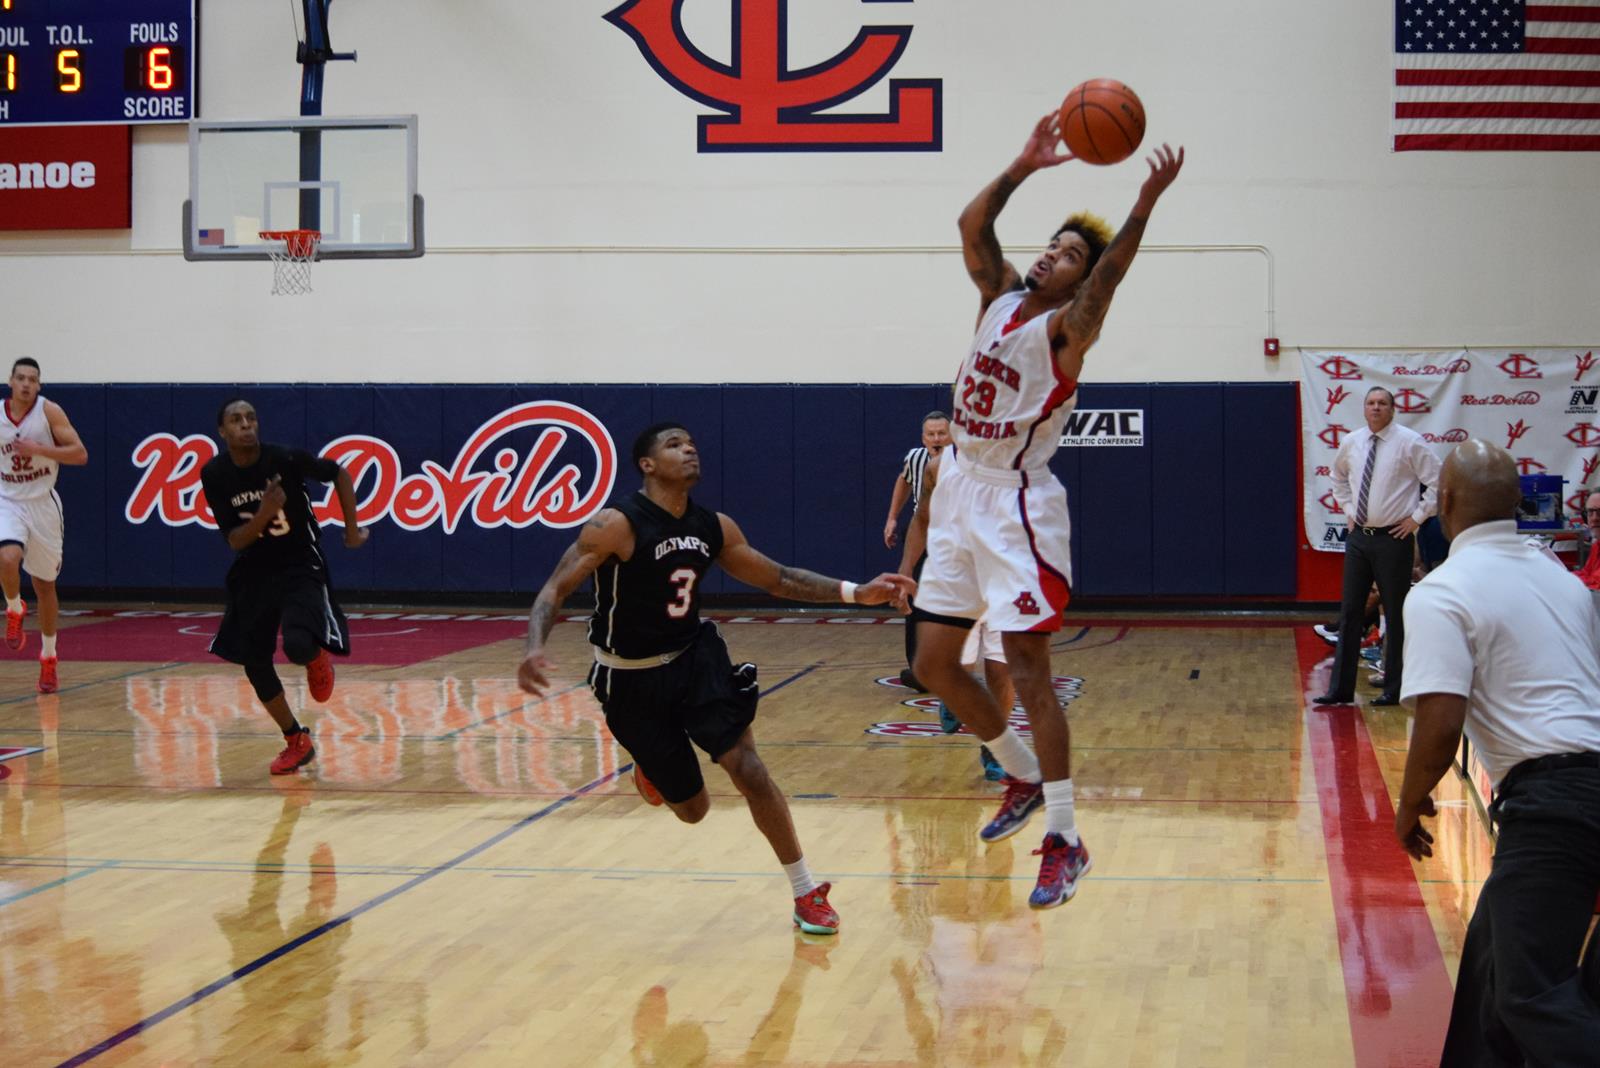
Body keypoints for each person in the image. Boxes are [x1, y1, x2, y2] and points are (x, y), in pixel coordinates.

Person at [912, 109, 1184, 909]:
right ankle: (1023, 778)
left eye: (1069, 257)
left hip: (1016, 506)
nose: (1052, 258)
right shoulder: (998, 298)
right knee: (934, 665)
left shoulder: (1068, 333)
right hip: (960, 484)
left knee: (1029, 672)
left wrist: (1142, 206)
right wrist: (1025, 162)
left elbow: (1111, 278)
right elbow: (971, 225)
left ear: (1078, 282)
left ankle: (1065, 836)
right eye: (1053, 245)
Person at [516, 422, 915, 935]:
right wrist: (533, 647)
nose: (689, 450)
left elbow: (780, 578)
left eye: (692, 443)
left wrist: (857, 593)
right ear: (648, 464)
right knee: (694, 810)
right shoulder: (616, 524)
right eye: (675, 445)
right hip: (628, 680)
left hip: (693, 659)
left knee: (748, 768)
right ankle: (652, 768)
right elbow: (555, 588)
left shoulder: (713, 526)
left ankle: (804, 890)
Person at [1394, 438, 1600, 1064]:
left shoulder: (1442, 591)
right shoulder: (1558, 577)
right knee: (1491, 962)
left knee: (1527, 996)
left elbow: (1440, 721)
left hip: (1556, 808)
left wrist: (1407, 805)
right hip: (1578, 792)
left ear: (1444, 500)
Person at [200, 399, 368, 776]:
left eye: (251, 417)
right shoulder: (214, 474)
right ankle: (296, 739)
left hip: (299, 563)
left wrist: (353, 531)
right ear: (222, 433)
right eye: (236, 420)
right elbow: (236, 540)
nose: (246, 425)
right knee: (253, 661)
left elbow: (338, 472)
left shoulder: (285, 459)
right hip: (253, 569)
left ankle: (315, 658)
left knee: (297, 645)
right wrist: (264, 512)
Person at [1314, 386, 1440, 708]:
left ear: (1393, 409)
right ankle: (1340, 690)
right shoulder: (1352, 442)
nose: (1376, 408)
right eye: (1370, 403)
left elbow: (1439, 482)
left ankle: (1394, 688)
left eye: (1382, 403)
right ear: (1364, 408)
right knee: (1351, 611)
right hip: (1359, 538)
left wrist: (1416, 518)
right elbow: (1337, 477)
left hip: (1393, 539)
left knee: (1395, 614)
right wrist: (1347, 509)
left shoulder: (1409, 442)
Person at [903, 451, 1009, 781]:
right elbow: (922, 518)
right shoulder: (938, 467)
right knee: (956, 667)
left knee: (1000, 669)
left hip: (1001, 578)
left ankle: (995, 749)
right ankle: (953, 696)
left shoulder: (1015, 458)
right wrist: (906, 568)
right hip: (954, 579)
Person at [0, 358, 89, 694]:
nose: (26, 384)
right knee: (7, 558)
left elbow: (80, 455)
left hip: (42, 504)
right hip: (7, 500)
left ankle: (49, 658)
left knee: (45, 586)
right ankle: (13, 607)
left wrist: (40, 449)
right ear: (10, 381)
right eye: (20, 378)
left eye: (32, 380)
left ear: (39, 385)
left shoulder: (49, 412)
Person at [884, 411, 951, 692]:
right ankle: (918, 668)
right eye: (930, 434)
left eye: (941, 433)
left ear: (952, 435)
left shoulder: (966, 461)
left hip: (955, 540)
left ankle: (952, 663)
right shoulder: (916, 458)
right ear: (923, 438)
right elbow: (904, 479)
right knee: (914, 596)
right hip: (924, 536)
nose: (936, 439)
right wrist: (892, 517)